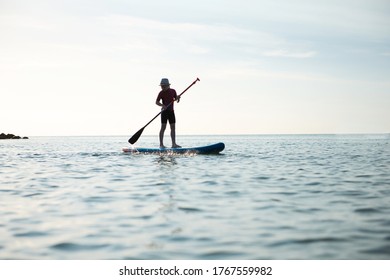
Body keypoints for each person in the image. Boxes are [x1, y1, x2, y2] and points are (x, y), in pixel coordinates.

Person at [155, 78, 181, 148]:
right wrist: (162, 105)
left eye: (164, 86)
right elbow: (156, 102)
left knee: (173, 128)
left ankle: (174, 144)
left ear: (168, 85)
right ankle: (161, 144)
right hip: (164, 112)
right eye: (161, 86)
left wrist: (178, 98)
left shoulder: (173, 91)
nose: (162, 87)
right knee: (163, 127)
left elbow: (175, 99)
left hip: (171, 112)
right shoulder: (161, 93)